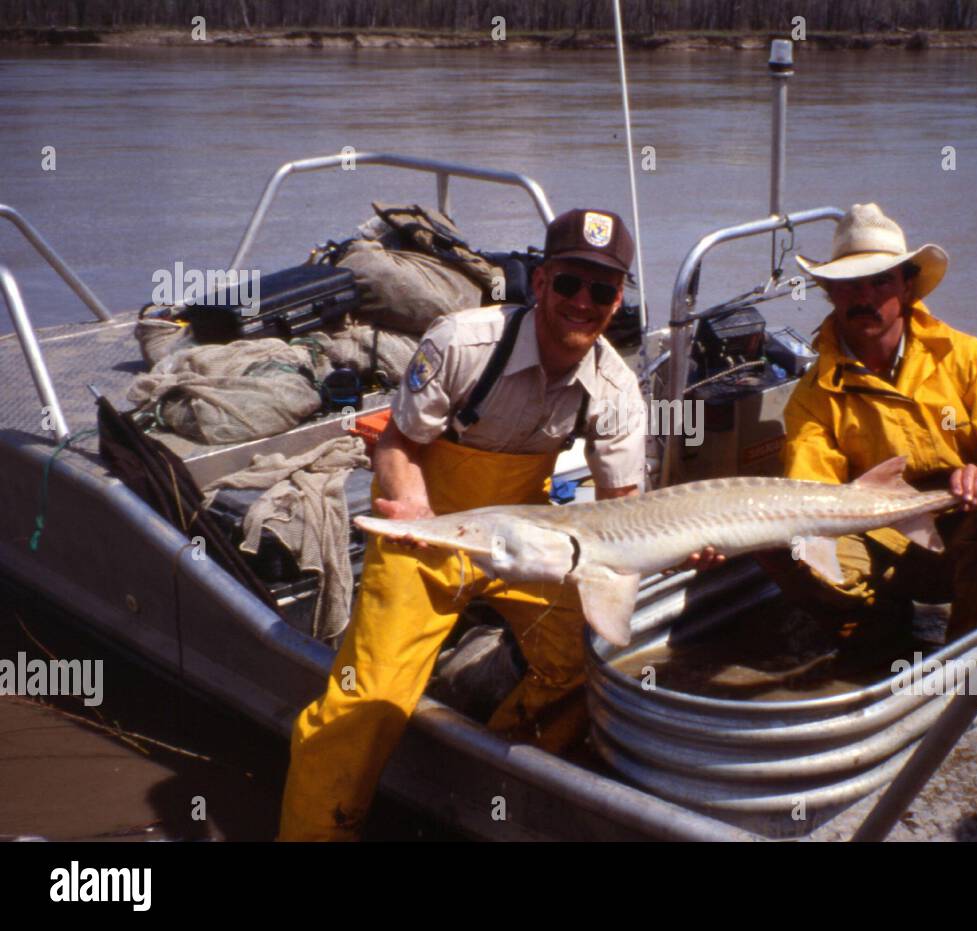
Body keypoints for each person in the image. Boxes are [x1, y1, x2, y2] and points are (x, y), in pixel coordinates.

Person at [278, 208, 718, 841]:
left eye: (601, 290)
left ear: (617, 299)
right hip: (426, 535)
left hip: (526, 541)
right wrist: (414, 515)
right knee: (363, 706)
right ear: (540, 282)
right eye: (569, 282)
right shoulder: (463, 343)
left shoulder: (617, 390)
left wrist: (683, 546)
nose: (583, 302)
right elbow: (398, 444)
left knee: (580, 664)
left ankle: (495, 767)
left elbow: (624, 513)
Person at [774, 203, 977, 643]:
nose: (864, 298)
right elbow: (813, 492)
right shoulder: (813, 397)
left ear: (908, 286)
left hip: (969, 531)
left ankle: (972, 664)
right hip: (883, 538)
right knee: (807, 556)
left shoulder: (970, 360)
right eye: (848, 285)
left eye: (880, 281)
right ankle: (879, 635)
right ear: (829, 292)